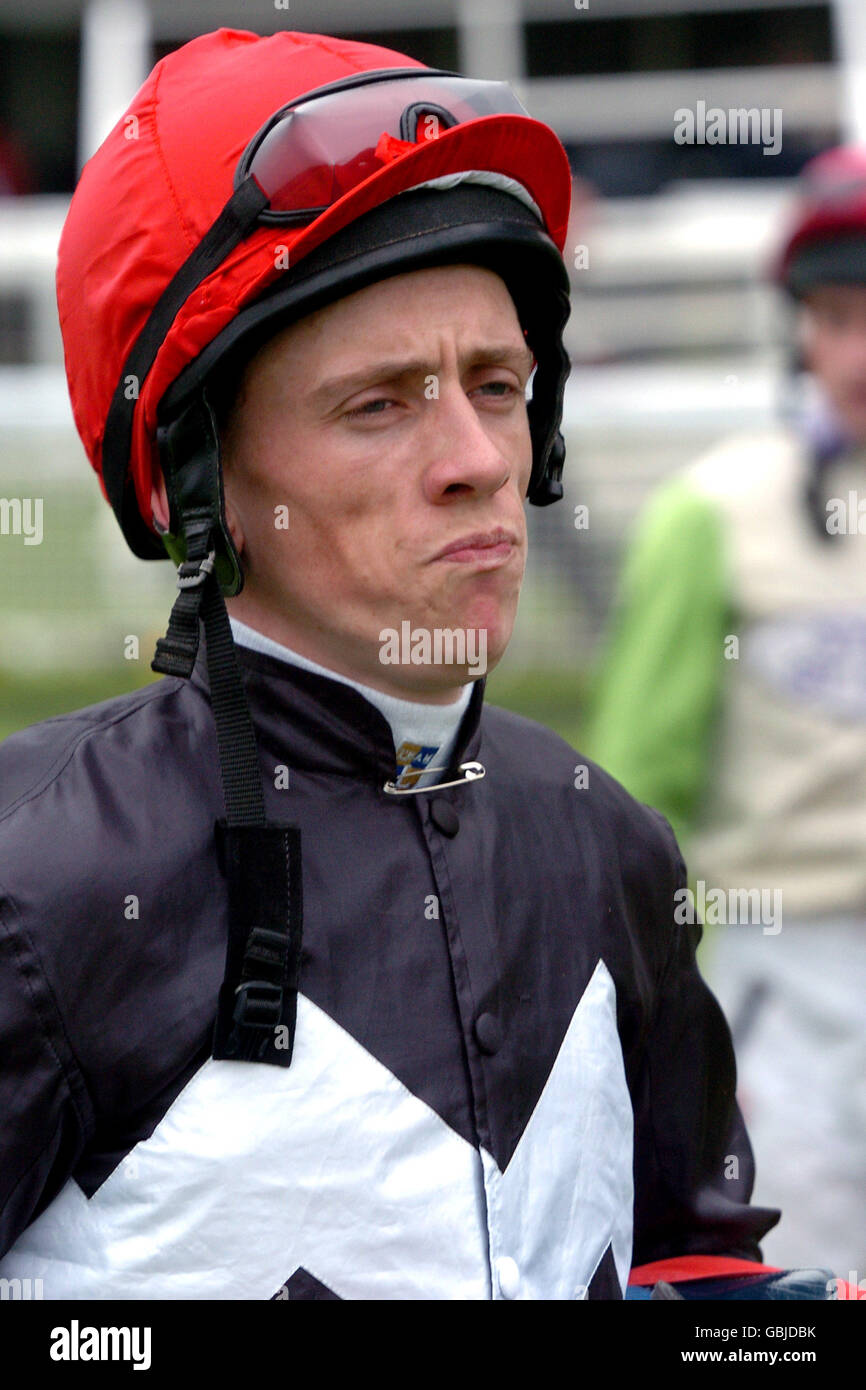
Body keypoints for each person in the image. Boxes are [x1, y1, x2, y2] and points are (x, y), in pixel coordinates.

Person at [0, 27, 779, 1301]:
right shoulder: (34, 884)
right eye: (380, 402)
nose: (475, 457)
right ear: (199, 485)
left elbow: (693, 1272)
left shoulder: (608, 845)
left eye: (497, 383)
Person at [582, 144, 866, 1276]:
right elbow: (637, 792)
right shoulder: (711, 512)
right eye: (836, 317)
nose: (857, 354)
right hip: (775, 982)